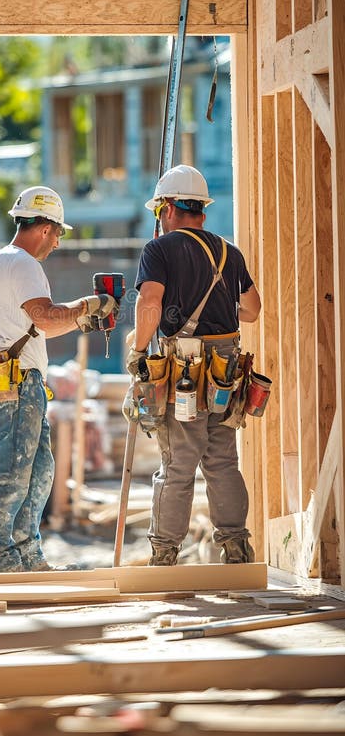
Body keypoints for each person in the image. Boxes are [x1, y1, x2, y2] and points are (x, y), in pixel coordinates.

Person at [126, 165, 261, 566]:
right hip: (225, 375)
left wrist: (139, 352)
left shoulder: (159, 250)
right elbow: (252, 310)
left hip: (184, 372)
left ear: (167, 208)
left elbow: (150, 302)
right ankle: (236, 549)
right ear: (201, 209)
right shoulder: (228, 251)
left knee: (178, 464)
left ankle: (165, 555)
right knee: (222, 463)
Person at [0, 186, 116, 573]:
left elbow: (41, 327)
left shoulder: (0, 261)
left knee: (38, 471)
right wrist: (89, 305)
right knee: (14, 472)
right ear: (44, 227)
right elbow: (46, 316)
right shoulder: (22, 263)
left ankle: (25, 552)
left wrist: (80, 317)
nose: (57, 242)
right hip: (16, 383)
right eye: (58, 233)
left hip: (16, 380)